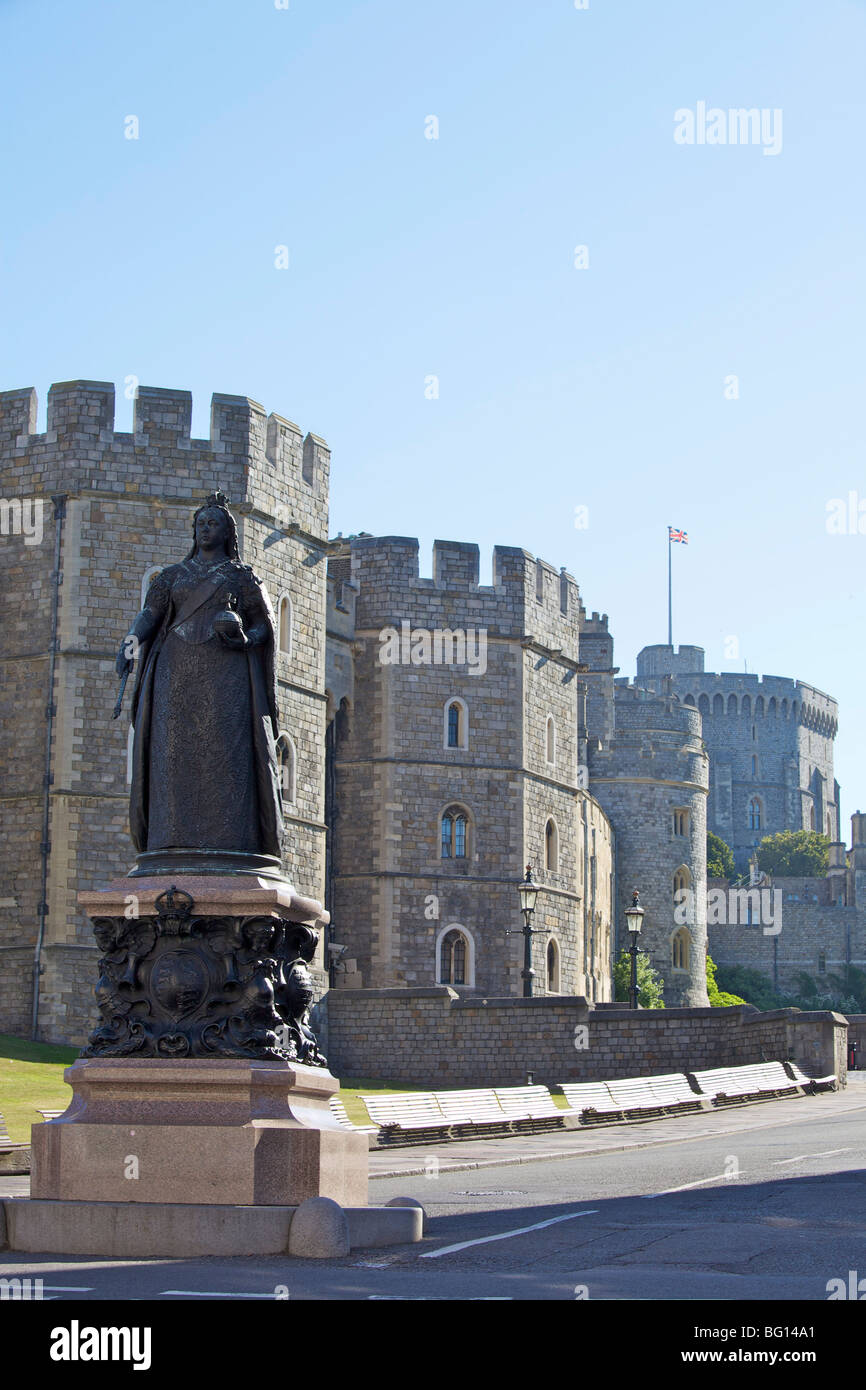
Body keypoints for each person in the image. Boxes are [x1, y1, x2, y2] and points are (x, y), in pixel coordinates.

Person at [116, 491, 283, 865]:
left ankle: (232, 841)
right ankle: (170, 838)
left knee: (226, 755)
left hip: (227, 678)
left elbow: (264, 627)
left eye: (213, 524)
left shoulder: (241, 578)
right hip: (175, 675)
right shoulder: (173, 576)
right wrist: (130, 642)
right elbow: (151, 614)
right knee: (171, 755)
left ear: (227, 532)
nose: (206, 529)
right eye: (201, 524)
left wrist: (243, 638)